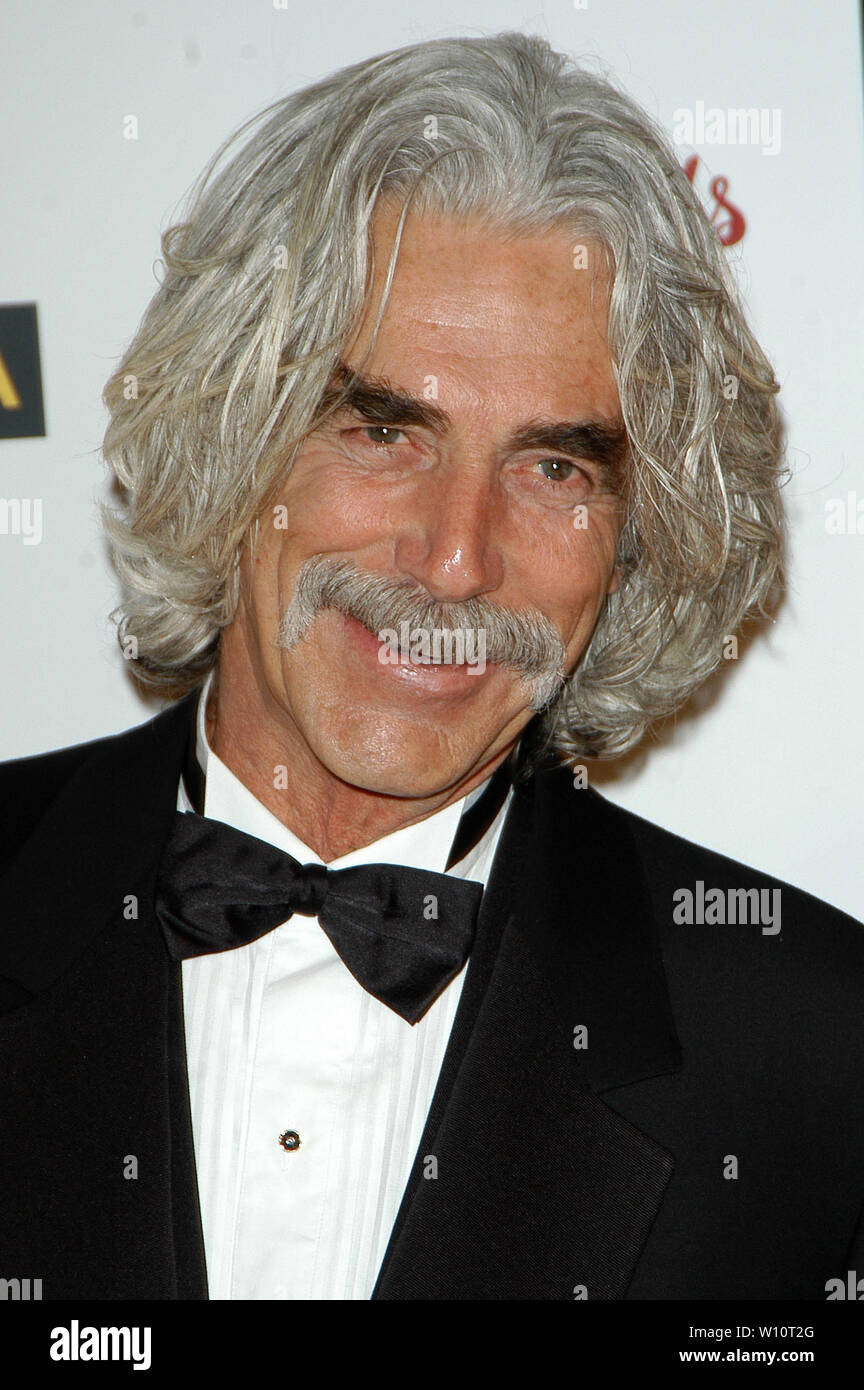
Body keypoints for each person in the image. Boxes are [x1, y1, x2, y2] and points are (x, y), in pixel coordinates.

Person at [1, 31, 862, 1303]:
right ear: (229, 432)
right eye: (382, 429)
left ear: (638, 536)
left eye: (554, 466)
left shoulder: (815, 1057)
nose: (457, 559)